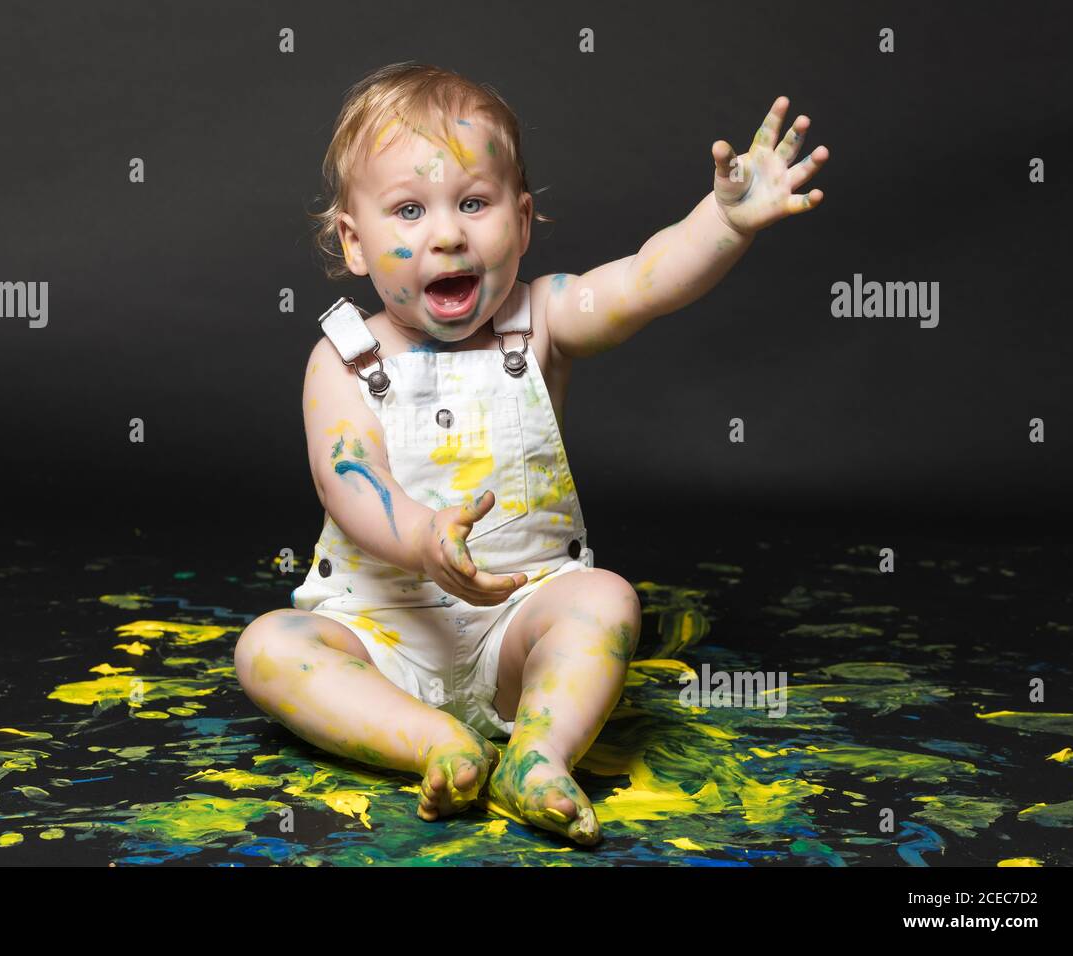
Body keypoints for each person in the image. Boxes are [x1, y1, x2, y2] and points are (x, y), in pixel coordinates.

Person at [235, 62, 828, 845]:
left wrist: (724, 223)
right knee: (270, 648)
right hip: (380, 634)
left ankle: (537, 755)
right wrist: (420, 538)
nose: (447, 234)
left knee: (605, 599)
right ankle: (432, 742)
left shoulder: (542, 318)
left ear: (520, 219)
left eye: (473, 204)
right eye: (409, 210)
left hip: (517, 625)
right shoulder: (343, 357)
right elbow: (349, 478)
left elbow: (645, 282)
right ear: (354, 240)